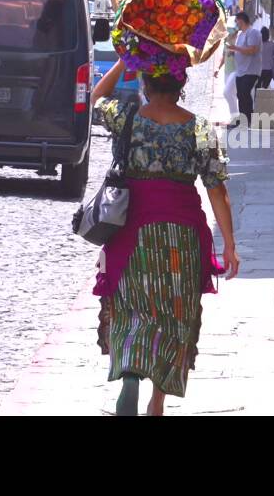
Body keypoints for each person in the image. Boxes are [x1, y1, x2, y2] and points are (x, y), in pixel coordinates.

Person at [90, 59, 239, 416]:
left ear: (145, 83)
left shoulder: (127, 118)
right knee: (175, 317)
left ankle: (129, 372)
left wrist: (125, 61)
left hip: (132, 236)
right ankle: (157, 402)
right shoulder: (200, 129)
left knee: (131, 311)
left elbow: (96, 98)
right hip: (182, 238)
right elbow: (217, 189)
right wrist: (230, 245)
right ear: (182, 83)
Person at [227, 12, 261, 126]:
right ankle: (243, 119)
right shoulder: (241, 34)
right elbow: (241, 49)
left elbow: (252, 50)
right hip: (241, 70)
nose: (236, 24)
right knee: (240, 95)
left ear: (241, 20)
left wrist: (235, 48)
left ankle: (248, 119)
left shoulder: (253, 33)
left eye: (237, 21)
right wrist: (233, 53)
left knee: (245, 93)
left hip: (251, 70)